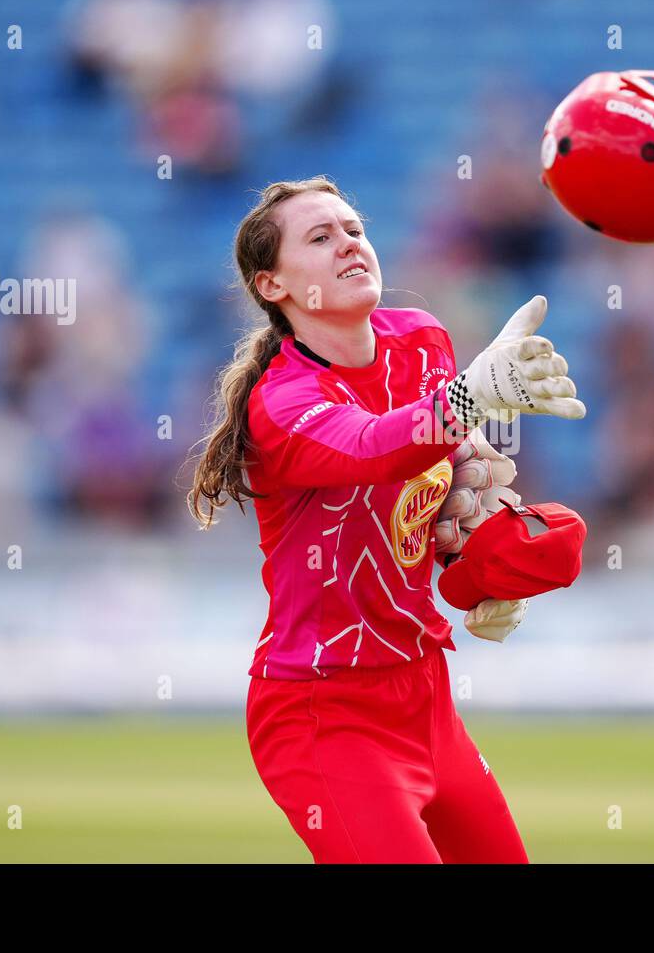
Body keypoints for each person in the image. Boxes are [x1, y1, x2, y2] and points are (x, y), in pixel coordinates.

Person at [188, 176, 584, 863]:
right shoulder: (282, 402)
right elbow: (372, 449)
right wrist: (471, 396)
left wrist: (471, 550)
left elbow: (427, 475)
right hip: (323, 711)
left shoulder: (421, 339)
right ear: (273, 285)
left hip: (426, 694)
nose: (349, 243)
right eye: (319, 237)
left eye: (354, 229)